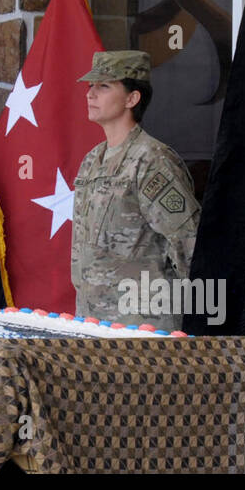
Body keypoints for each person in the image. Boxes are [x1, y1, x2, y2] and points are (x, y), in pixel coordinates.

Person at [71, 50, 200, 331]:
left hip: (142, 327)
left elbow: (189, 244)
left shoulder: (152, 161)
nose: (90, 94)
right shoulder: (92, 160)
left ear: (132, 98)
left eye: (103, 86)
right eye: (90, 86)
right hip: (92, 321)